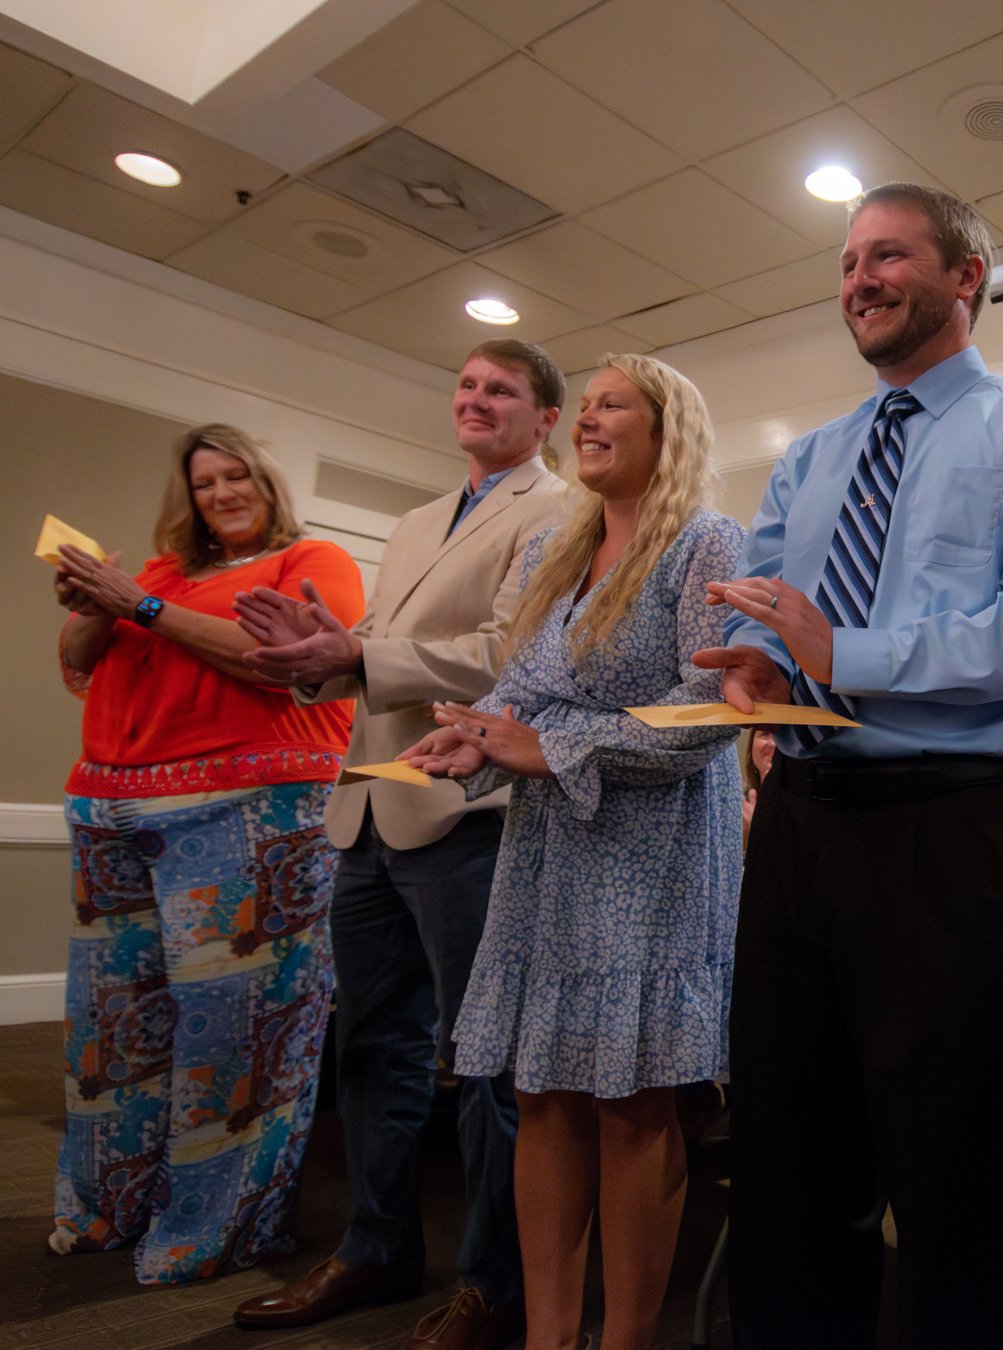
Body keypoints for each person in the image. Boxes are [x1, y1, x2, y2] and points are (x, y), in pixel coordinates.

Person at [696, 180, 1003, 1349]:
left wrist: (849, 650)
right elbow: (792, 637)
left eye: (887, 256)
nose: (858, 282)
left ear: (964, 276)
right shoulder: (810, 460)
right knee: (786, 1166)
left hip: (944, 829)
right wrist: (769, 675)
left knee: (953, 1181)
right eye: (845, 264)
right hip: (798, 824)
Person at [229, 339, 569, 1350]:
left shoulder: (559, 513)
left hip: (466, 814)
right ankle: (377, 1248)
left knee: (485, 1067)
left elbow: (513, 654)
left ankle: (491, 1289)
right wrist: (316, 654)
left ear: (545, 417)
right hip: (368, 809)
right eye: (465, 384)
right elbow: (380, 649)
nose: (476, 398)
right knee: (373, 1045)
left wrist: (359, 650)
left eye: (501, 388)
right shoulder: (421, 519)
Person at [400, 354, 746, 1350]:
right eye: (582, 407)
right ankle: (550, 1338)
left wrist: (549, 747)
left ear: (664, 429)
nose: (585, 421)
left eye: (608, 407)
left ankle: (627, 1340)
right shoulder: (560, 545)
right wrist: (474, 734)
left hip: (653, 860)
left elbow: (710, 712)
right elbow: (527, 694)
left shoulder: (704, 543)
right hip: (546, 858)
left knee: (631, 1105)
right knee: (543, 1095)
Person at [48, 423, 365, 1283]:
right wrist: (92, 605)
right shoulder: (154, 572)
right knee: (111, 1033)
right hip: (111, 806)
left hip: (249, 809)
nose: (221, 493)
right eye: (204, 482)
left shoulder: (313, 561)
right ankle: (106, 1206)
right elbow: (79, 662)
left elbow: (281, 663)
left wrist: (137, 606)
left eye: (237, 477)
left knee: (236, 1037)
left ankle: (212, 1232)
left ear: (266, 483)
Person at [740, 727, 776, 837]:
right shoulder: (738, 801)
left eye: (780, 738)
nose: (773, 744)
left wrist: (756, 827)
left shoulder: (801, 806)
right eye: (765, 734)